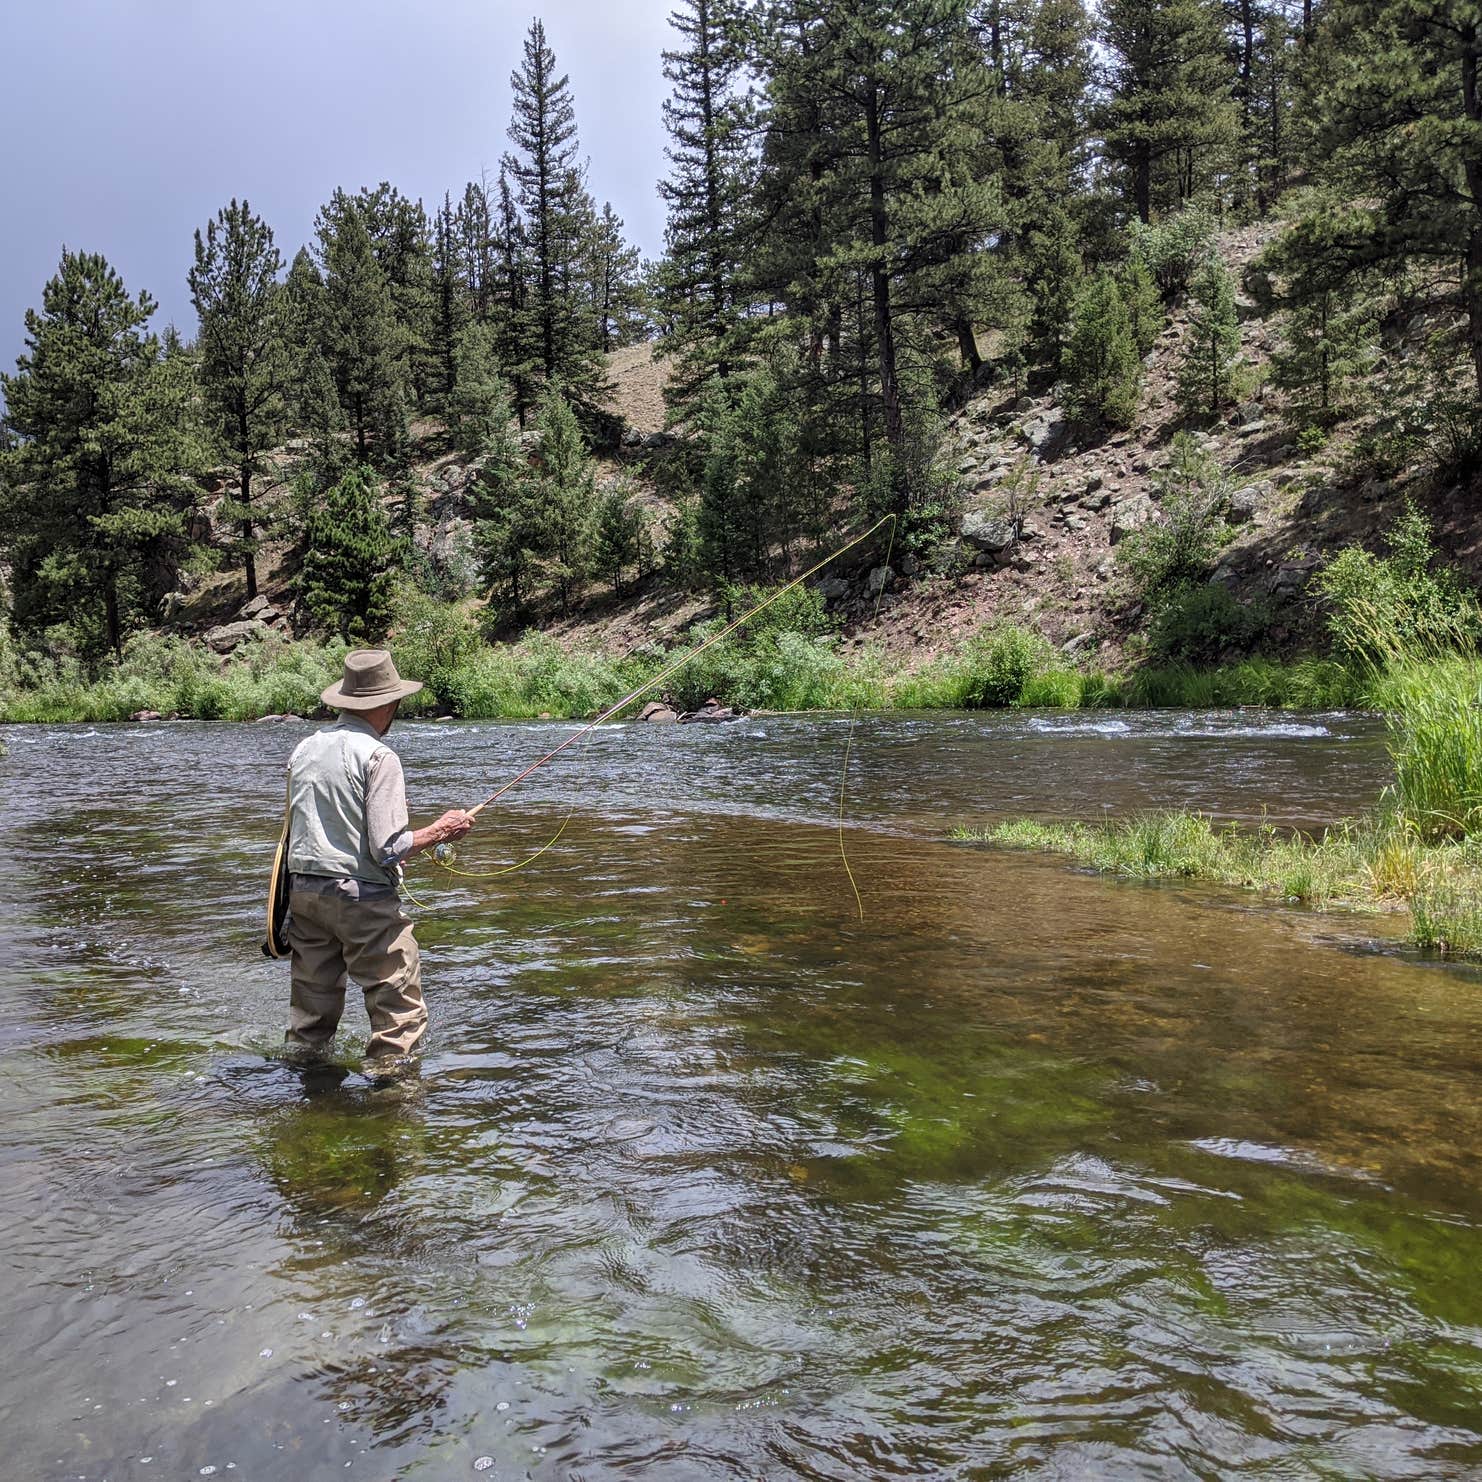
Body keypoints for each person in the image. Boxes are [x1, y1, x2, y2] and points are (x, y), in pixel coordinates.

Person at [282, 649, 473, 1075]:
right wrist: (442, 829)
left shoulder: (305, 749)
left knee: (310, 1017)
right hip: (361, 900)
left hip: (305, 894)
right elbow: (388, 848)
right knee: (398, 1013)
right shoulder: (378, 756)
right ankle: (392, 1105)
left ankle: (304, 1092)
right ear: (385, 704)